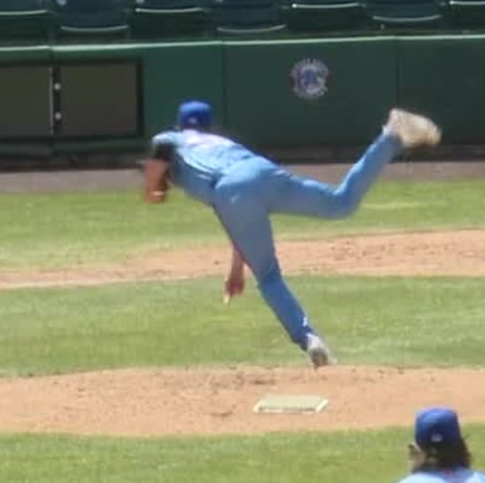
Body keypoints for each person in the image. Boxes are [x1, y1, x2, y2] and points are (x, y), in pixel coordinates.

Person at [142, 101, 441, 367]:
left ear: (180, 125)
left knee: (270, 277)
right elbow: (233, 212)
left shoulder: (174, 138)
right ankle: (390, 137)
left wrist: (152, 190)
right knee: (341, 202)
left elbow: (160, 152)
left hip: (230, 191)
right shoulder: (220, 141)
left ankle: (309, 339)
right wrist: (236, 266)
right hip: (260, 172)